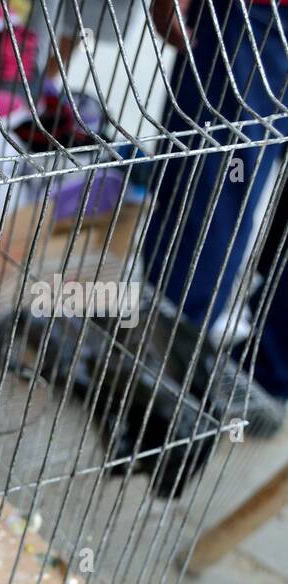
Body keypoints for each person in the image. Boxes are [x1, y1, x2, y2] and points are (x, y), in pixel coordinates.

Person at [138, 0, 288, 429]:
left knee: (212, 180)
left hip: (257, 19)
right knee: (220, 178)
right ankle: (263, 373)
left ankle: (159, 364)